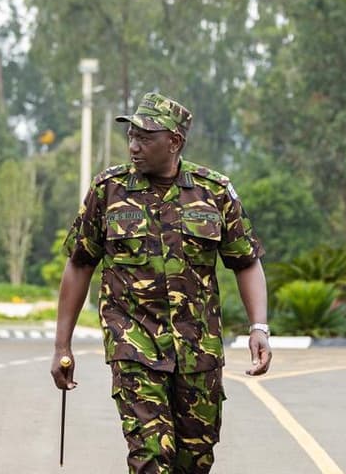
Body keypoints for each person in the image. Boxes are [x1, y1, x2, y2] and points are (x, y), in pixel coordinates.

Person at [51, 91, 272, 474]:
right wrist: (61, 346)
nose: (134, 147)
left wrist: (259, 327)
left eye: (145, 138)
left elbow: (246, 262)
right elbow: (80, 264)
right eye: (131, 136)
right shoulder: (109, 191)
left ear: (174, 142)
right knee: (151, 457)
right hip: (133, 348)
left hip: (198, 353)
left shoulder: (213, 192)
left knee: (195, 461)